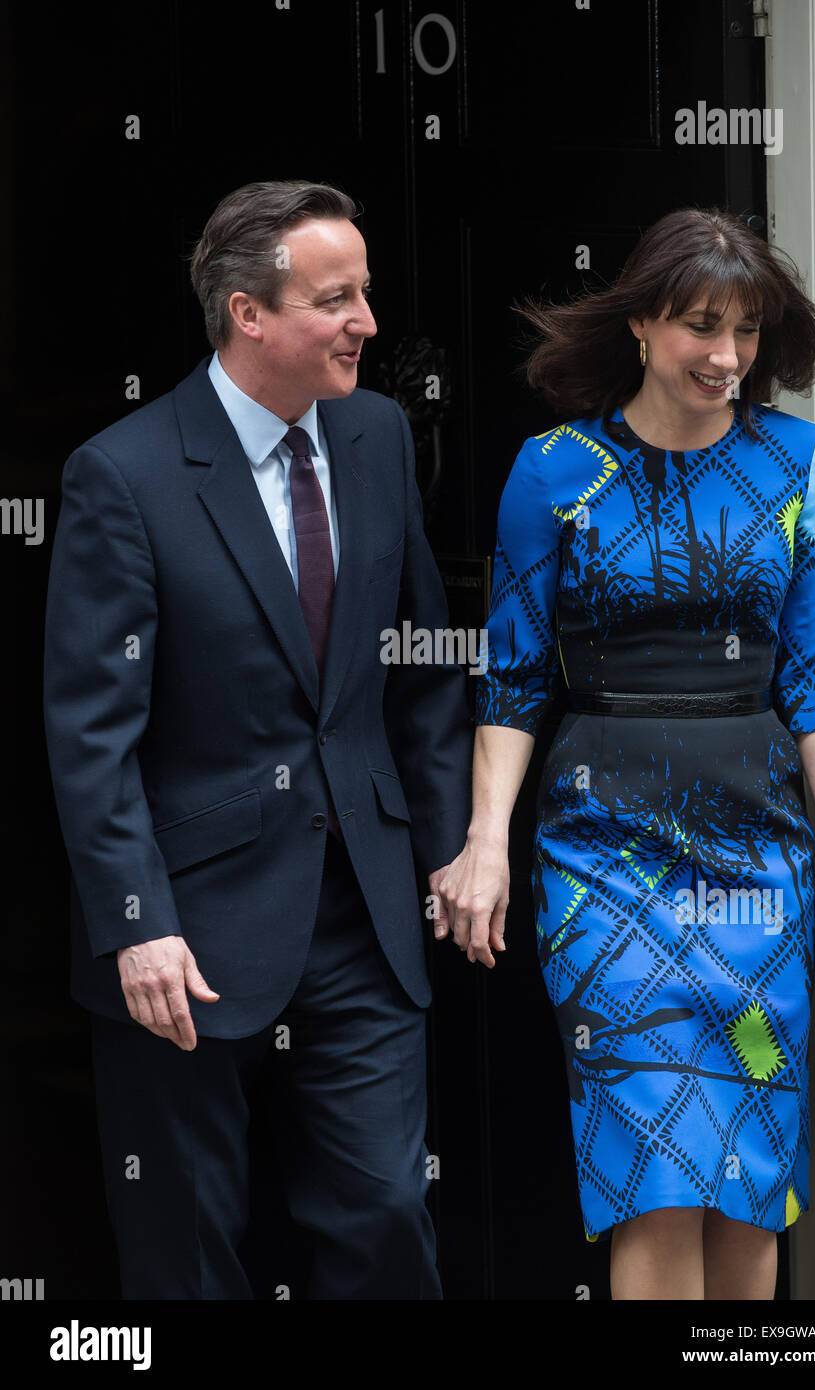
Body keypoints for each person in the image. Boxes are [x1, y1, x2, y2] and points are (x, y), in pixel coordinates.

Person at [43, 179, 472, 1299]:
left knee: (386, 1212)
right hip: (187, 933)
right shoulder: (122, 475)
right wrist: (137, 922)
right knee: (185, 1249)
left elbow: (417, 666)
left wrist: (448, 847)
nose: (368, 323)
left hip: (363, 909)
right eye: (338, 299)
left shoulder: (376, 434)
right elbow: (93, 730)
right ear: (248, 313)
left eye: (365, 293)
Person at [433, 206, 815, 1300]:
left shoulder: (796, 462)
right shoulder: (553, 471)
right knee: (656, 1166)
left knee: (749, 1170)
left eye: (749, 331)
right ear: (639, 325)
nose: (728, 357)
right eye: (701, 327)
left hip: (760, 858)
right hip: (602, 860)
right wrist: (486, 843)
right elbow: (515, 681)